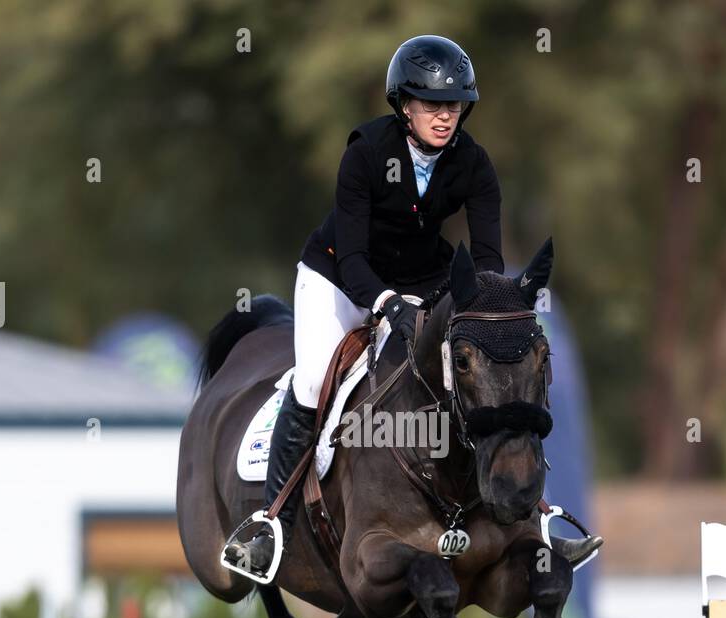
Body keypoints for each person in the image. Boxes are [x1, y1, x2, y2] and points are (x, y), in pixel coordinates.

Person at [223, 34, 598, 580]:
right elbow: (352, 257)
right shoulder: (366, 154)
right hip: (339, 278)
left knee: (470, 381)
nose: (445, 117)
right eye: (431, 105)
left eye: (454, 105)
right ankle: (269, 524)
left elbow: (488, 263)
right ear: (404, 106)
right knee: (310, 382)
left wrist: (483, 311)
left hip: (426, 279)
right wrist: (384, 303)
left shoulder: (473, 163)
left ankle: (532, 520)